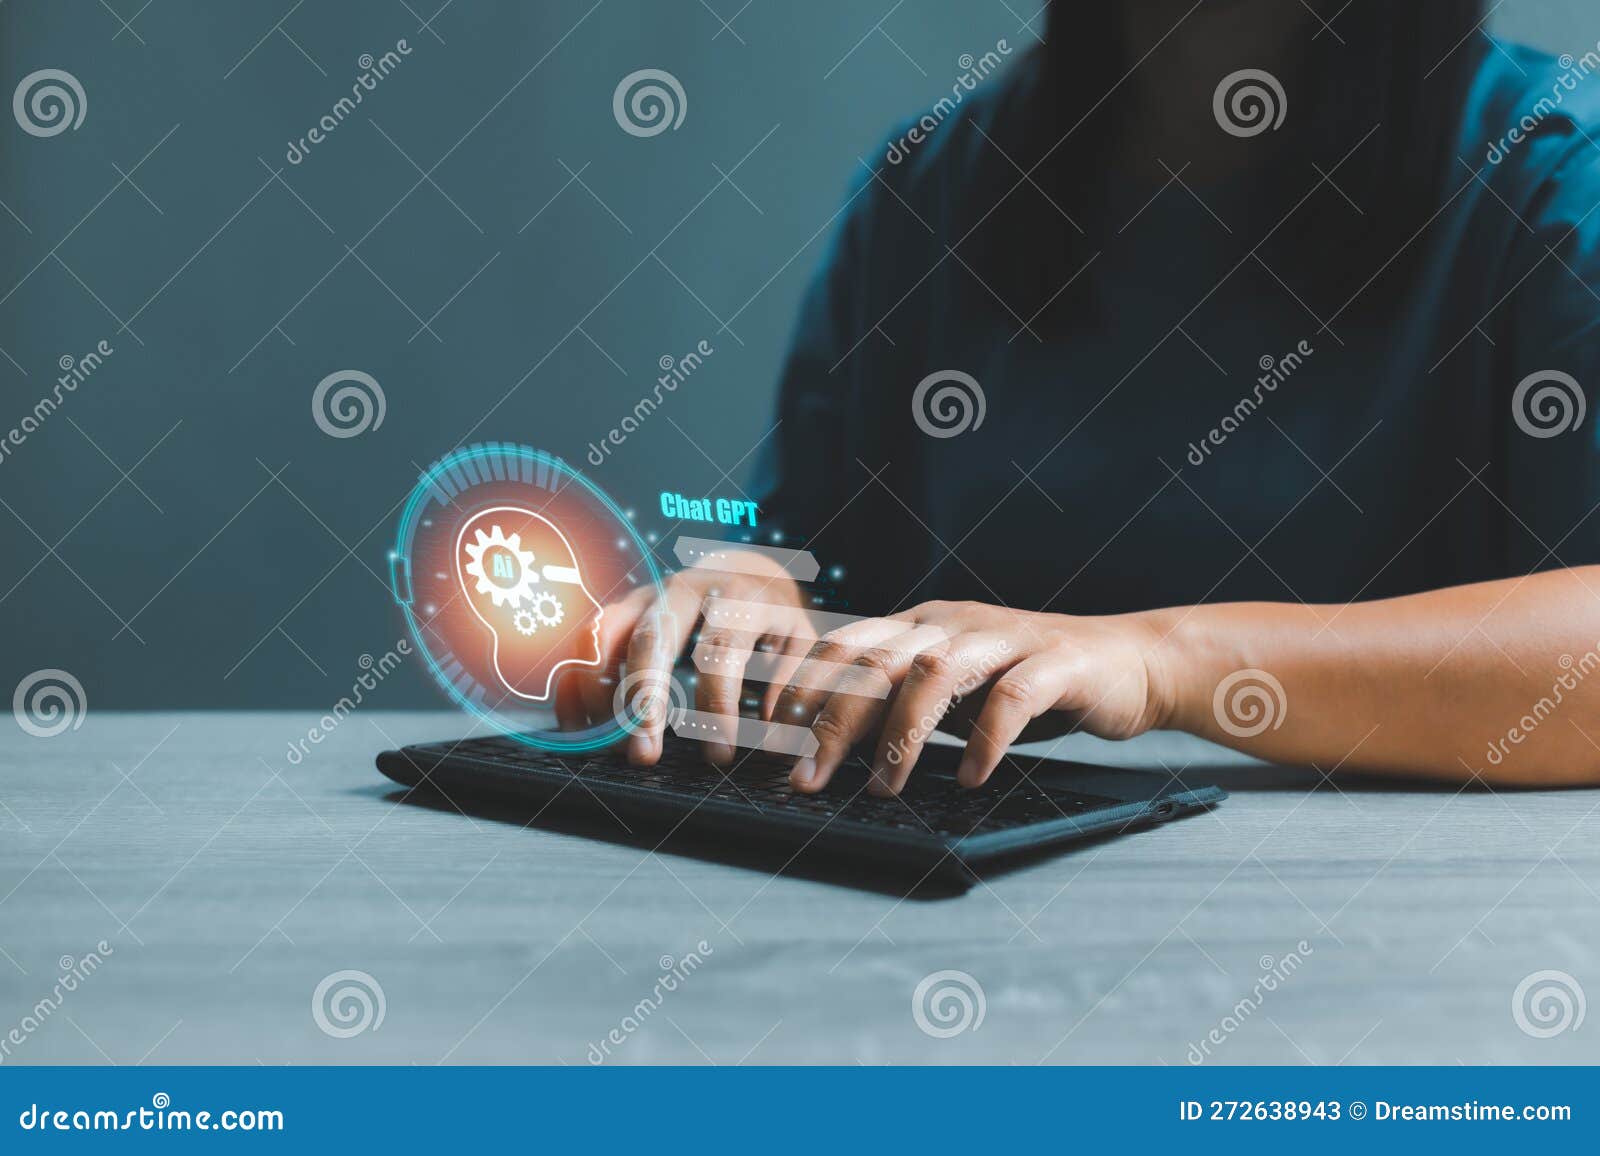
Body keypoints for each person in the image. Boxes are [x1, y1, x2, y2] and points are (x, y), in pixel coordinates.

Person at [564, 0, 1600, 795]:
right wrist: (750, 590)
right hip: (944, 930)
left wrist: (1159, 664)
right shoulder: (931, 185)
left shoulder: (1552, 178)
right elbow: (816, 557)